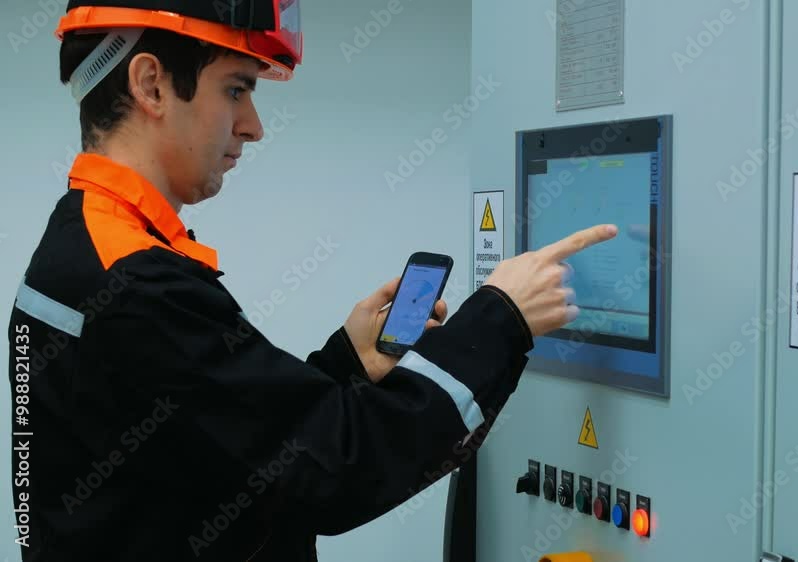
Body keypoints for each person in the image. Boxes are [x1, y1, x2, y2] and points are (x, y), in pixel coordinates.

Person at [5, 2, 618, 560]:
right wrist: (500, 319)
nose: (253, 125)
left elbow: (231, 445)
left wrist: (346, 364)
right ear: (151, 84)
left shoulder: (83, 247)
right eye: (237, 89)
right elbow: (336, 473)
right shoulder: (137, 284)